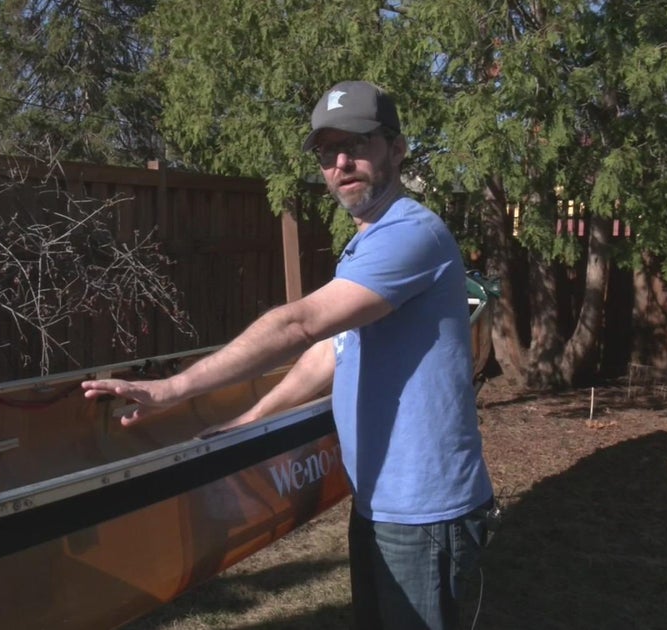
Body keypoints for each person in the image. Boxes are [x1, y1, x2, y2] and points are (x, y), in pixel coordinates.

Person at [81, 80, 493, 630]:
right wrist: (249, 420)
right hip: (380, 500)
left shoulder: (411, 235)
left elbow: (299, 325)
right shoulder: (369, 244)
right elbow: (332, 351)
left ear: (396, 150)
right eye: (327, 152)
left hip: (425, 512)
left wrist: (171, 390)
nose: (341, 162)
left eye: (358, 144)